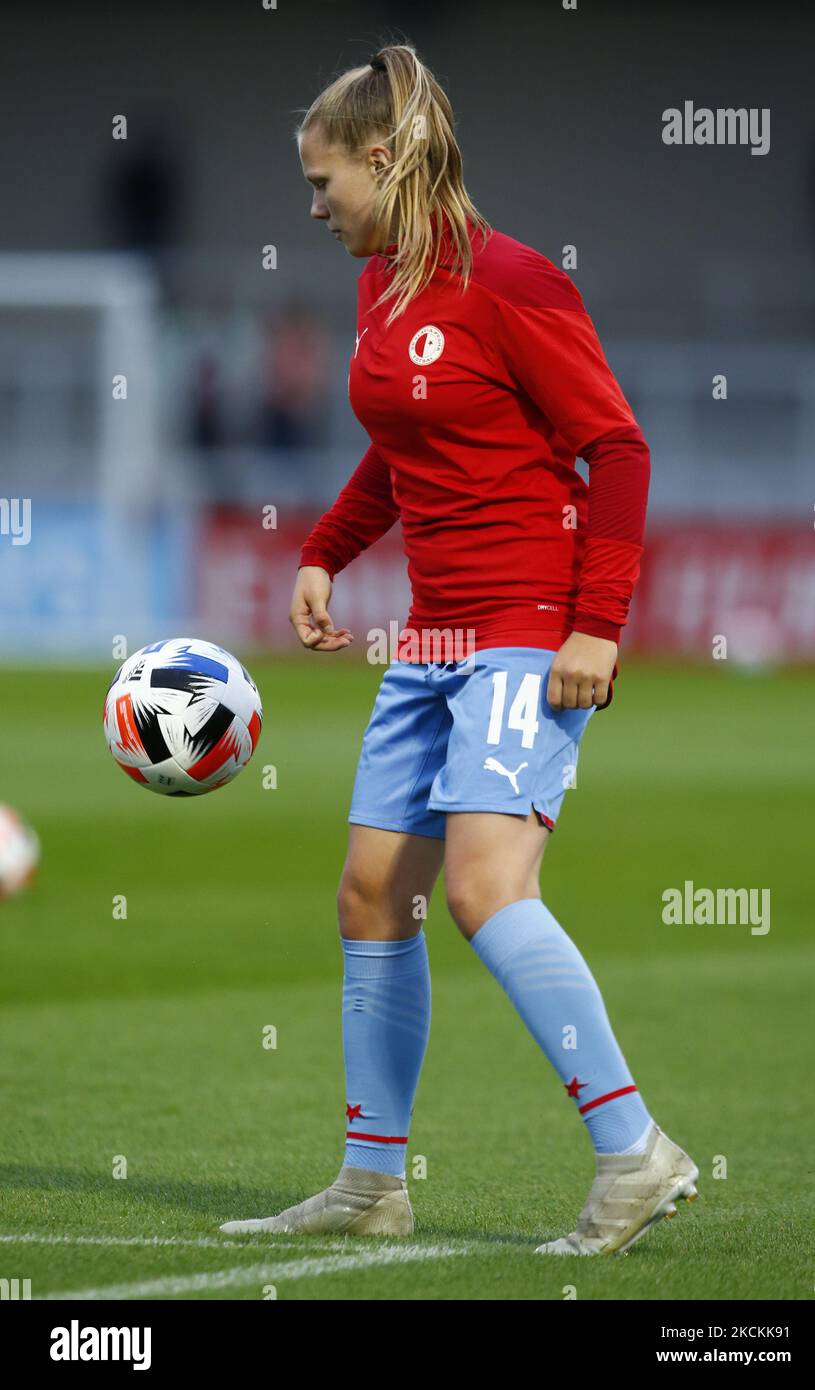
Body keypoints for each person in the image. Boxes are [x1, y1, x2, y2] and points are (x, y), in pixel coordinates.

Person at [220, 43, 698, 1256]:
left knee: (487, 891)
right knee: (373, 896)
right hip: (431, 638)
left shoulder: (515, 281)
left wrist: (598, 622)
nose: (312, 206)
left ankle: (633, 1150)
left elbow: (618, 448)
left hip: (527, 633)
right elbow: (405, 447)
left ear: (382, 162)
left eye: (323, 183)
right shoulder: (386, 286)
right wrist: (329, 548)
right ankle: (373, 1181)